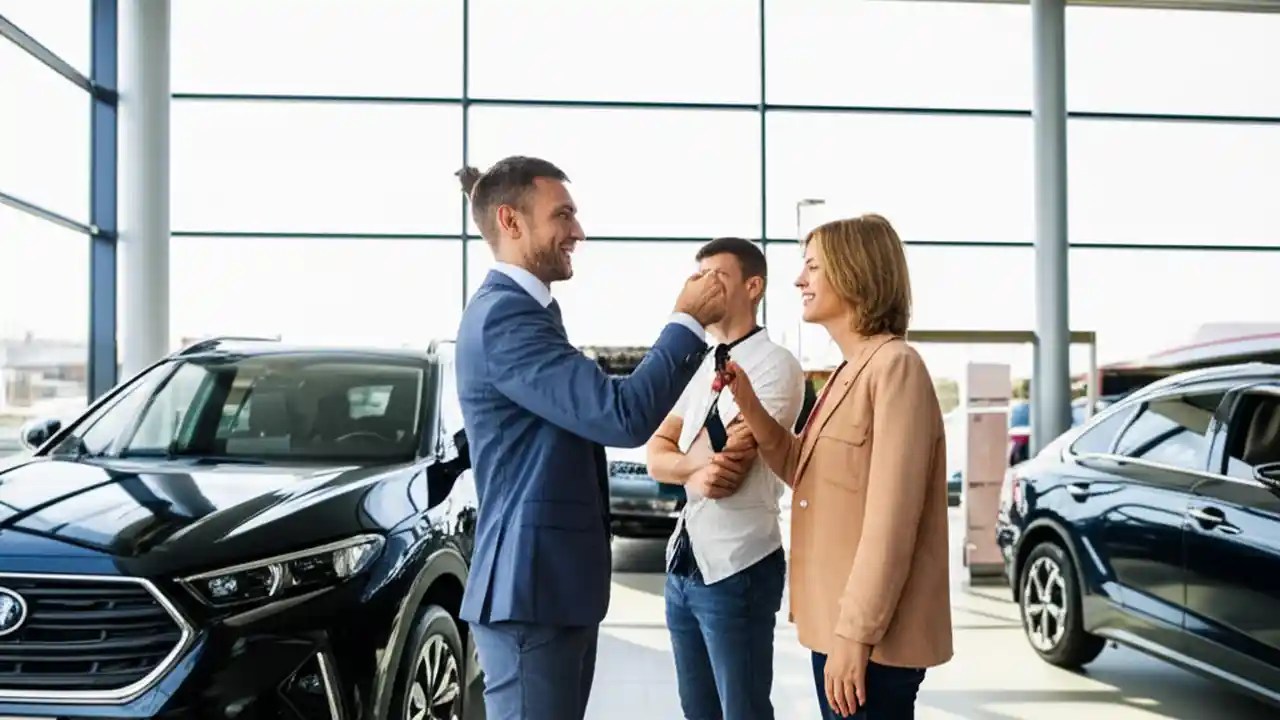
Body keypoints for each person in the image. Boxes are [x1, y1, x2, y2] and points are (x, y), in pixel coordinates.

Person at [452, 156, 727, 720]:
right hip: (531, 592)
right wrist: (686, 322)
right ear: (511, 221)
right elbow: (618, 415)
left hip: (551, 589)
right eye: (564, 215)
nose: (578, 231)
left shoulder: (529, 315)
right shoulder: (507, 318)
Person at [723, 215, 953, 719]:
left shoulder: (896, 368)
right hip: (840, 627)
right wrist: (749, 401)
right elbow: (804, 472)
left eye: (812, 267)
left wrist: (855, 634)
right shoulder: (849, 371)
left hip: (871, 639)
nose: (799, 280)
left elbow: (892, 520)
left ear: (854, 272)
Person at [645, 237, 805, 720]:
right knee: (697, 711)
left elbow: (724, 474)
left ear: (752, 286)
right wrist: (691, 462)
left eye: (716, 276)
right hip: (684, 564)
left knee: (744, 711)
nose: (702, 288)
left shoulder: (777, 366)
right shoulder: (699, 367)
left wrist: (685, 459)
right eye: (698, 276)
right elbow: (655, 453)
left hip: (738, 566)